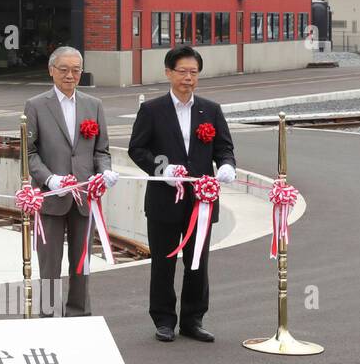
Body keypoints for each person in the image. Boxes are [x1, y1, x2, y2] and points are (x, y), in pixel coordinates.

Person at [128, 45, 236, 343]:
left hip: (201, 200)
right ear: (168, 73)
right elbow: (137, 149)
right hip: (164, 200)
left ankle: (193, 319)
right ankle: (163, 319)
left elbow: (224, 147)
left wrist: (227, 165)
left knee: (197, 262)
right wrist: (162, 168)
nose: (188, 78)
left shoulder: (210, 110)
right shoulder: (152, 110)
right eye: (182, 71)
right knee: (163, 262)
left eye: (194, 72)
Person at [23, 46, 117, 316]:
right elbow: (28, 152)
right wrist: (49, 179)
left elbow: (101, 150)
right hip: (51, 198)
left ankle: (79, 314)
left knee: (82, 262)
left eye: (76, 70)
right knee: (50, 263)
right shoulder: (36, 105)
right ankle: (49, 315)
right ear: (51, 70)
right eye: (63, 69)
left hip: (85, 197)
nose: (70, 75)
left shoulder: (93, 104)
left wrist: (105, 171)